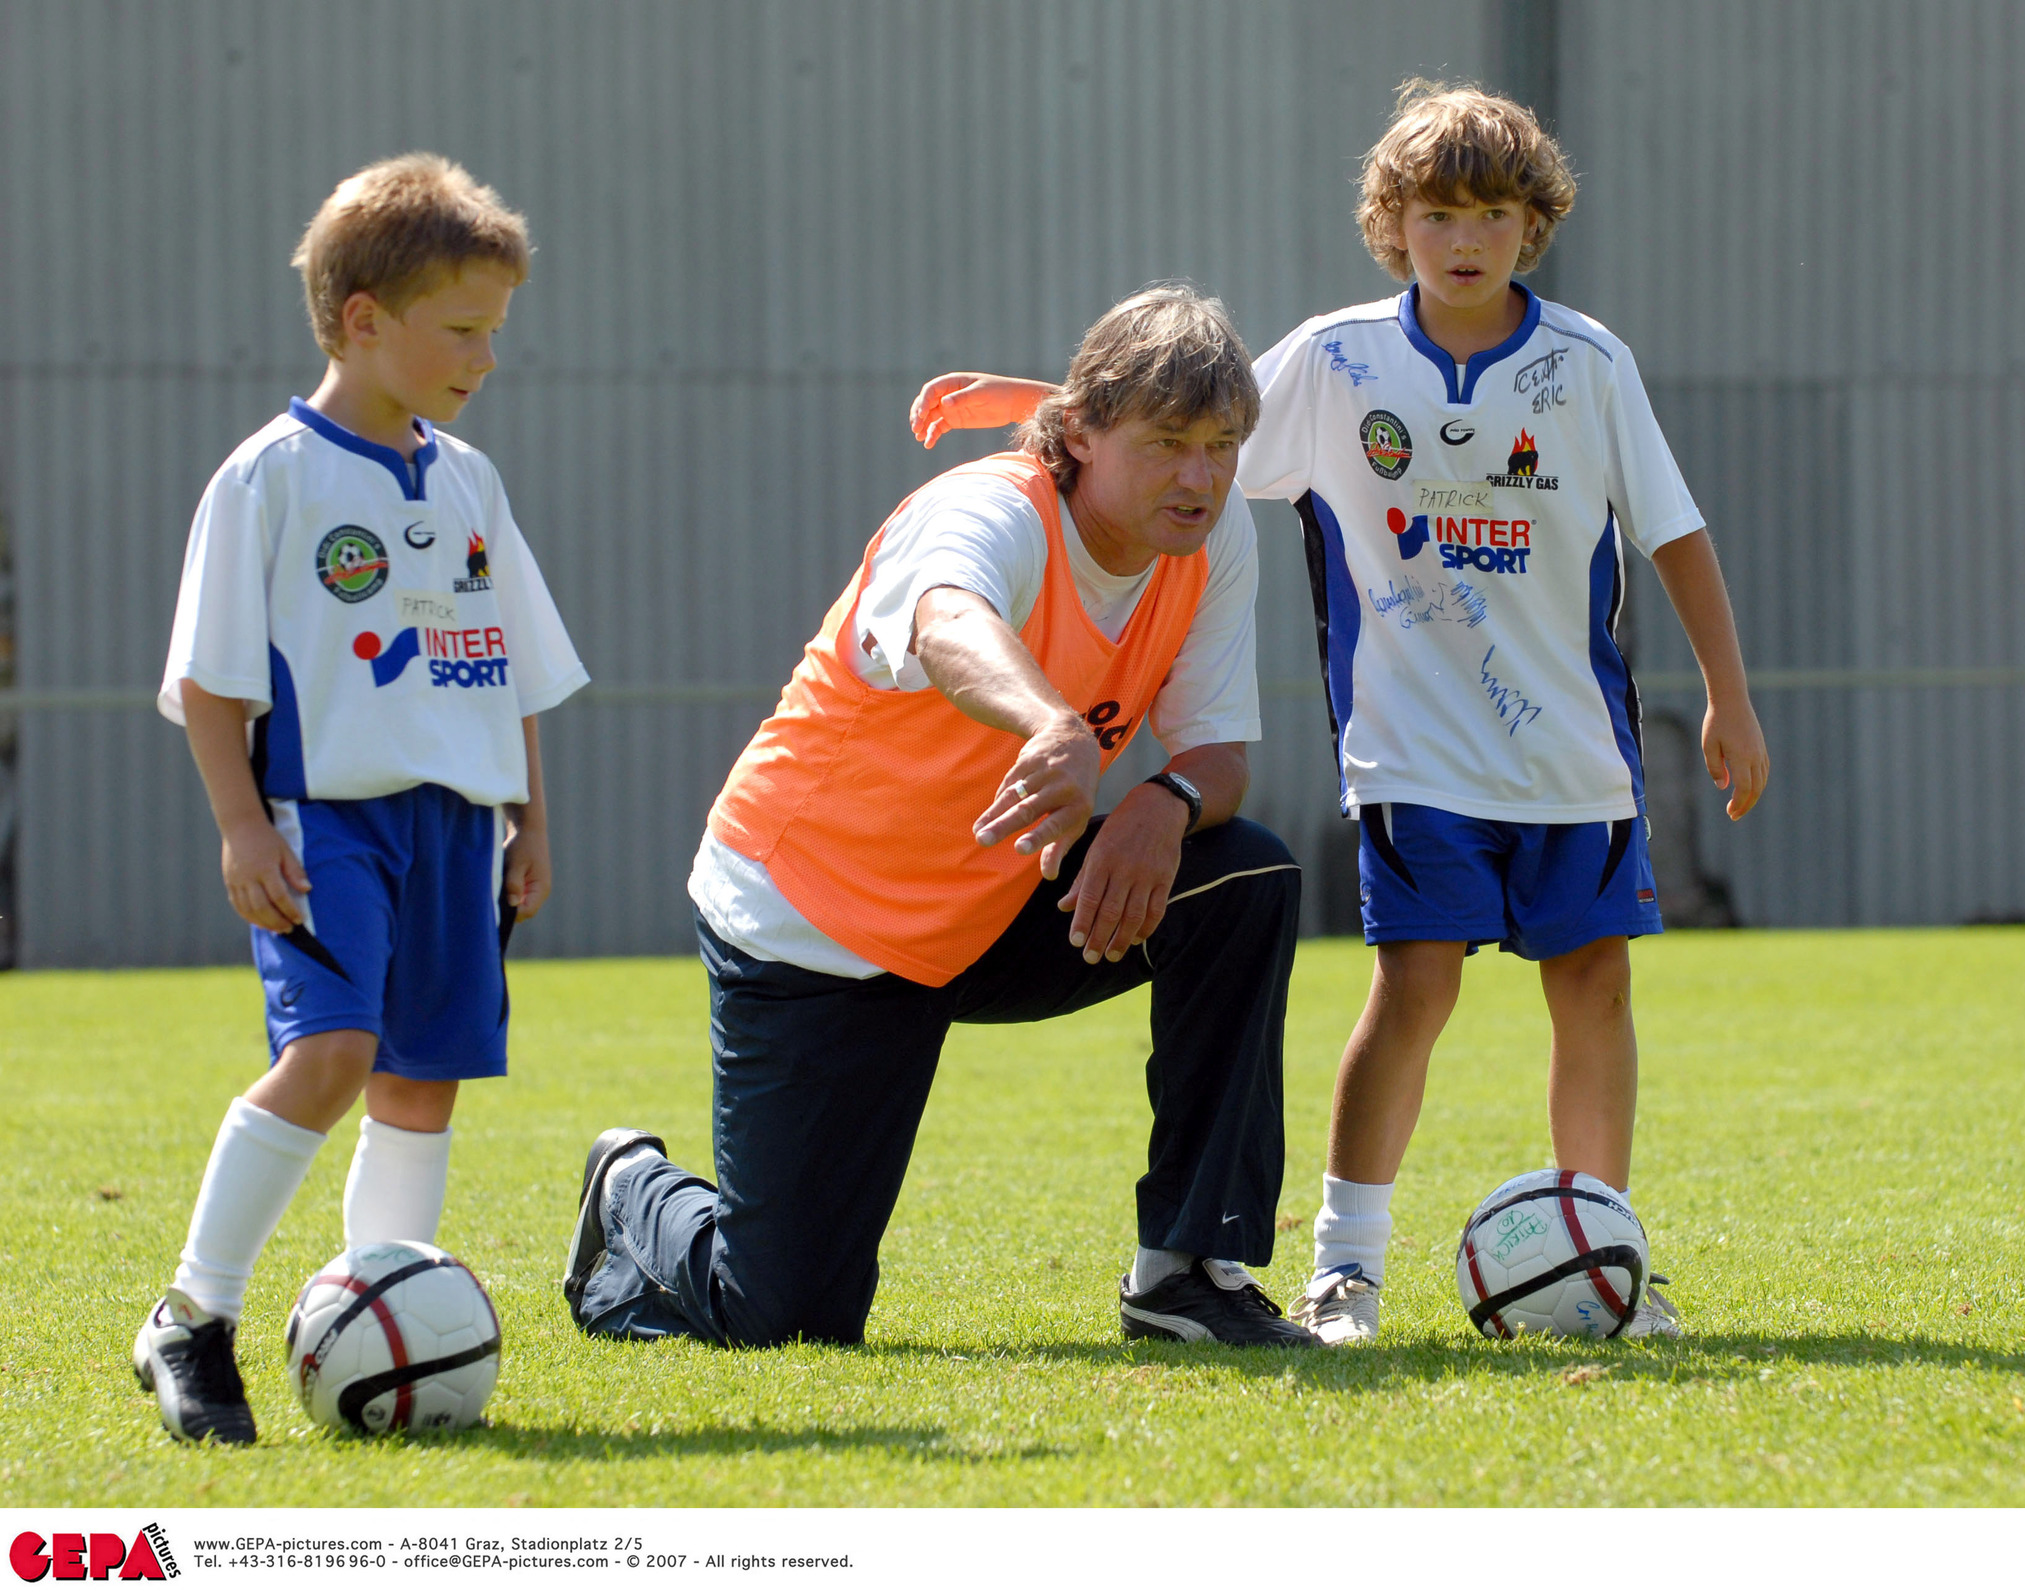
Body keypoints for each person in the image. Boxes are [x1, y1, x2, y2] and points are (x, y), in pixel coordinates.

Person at [908, 81, 1769, 1345]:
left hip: (1573, 758)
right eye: (1435, 212)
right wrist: (1039, 403)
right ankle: (1345, 1270)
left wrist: (1728, 701)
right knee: (1410, 988)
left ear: (1533, 224)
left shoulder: (1586, 366)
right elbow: (1187, 437)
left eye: (1490, 212)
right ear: (1393, 221)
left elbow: (1675, 533)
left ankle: (1597, 1253)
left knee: (1594, 991)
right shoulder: (1333, 359)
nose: (1462, 238)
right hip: (1412, 755)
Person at [564, 287, 1311, 1349]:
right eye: (1165, 444)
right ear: (1081, 432)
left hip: (998, 899)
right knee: (782, 1318)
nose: (1198, 476)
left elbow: (1217, 753)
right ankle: (633, 1188)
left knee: (1242, 876)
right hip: (816, 921)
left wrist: (1168, 797)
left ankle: (1185, 1270)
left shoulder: (1209, 532)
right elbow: (947, 617)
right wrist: (1053, 725)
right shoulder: (983, 508)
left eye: (1220, 444)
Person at [137, 154, 588, 1442]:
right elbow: (212, 681)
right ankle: (192, 1316)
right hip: (321, 818)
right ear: (362, 319)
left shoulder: (468, 481)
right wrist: (238, 822)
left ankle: (380, 1327)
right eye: (462, 330)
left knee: (418, 1083)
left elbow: (508, 668)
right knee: (329, 1056)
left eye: (495, 331)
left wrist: (528, 821)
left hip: (458, 828)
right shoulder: (268, 478)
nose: (484, 357)